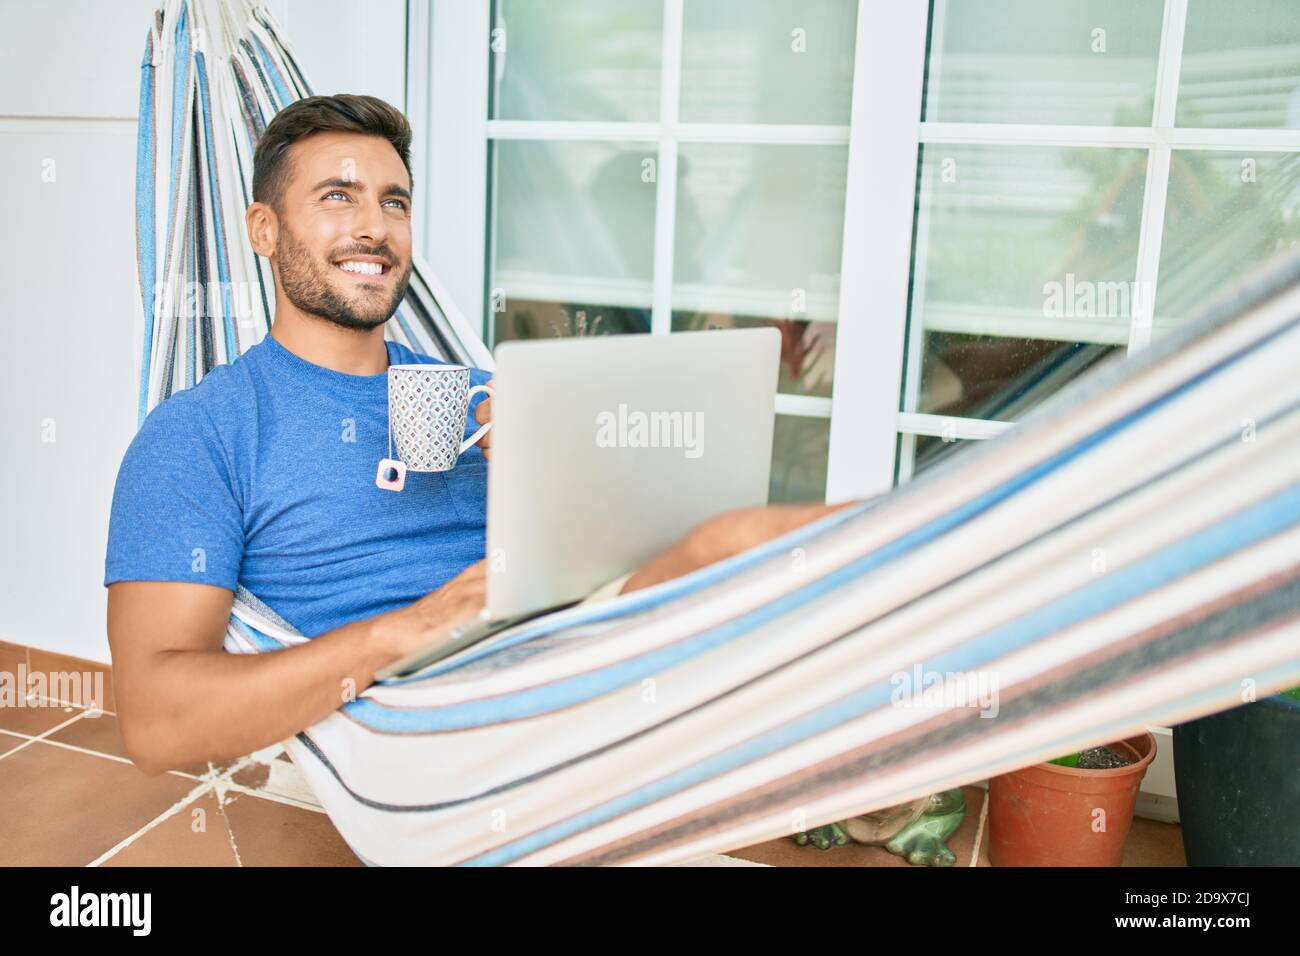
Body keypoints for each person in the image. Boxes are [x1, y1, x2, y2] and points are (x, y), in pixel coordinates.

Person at [105, 93, 854, 776]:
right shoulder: (199, 435)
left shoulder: (483, 396)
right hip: (424, 725)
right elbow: (155, 721)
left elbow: (592, 566)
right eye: (338, 196)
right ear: (263, 230)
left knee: (743, 544)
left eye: (393, 202)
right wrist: (414, 628)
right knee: (738, 549)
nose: (373, 225)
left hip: (571, 662)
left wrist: (553, 477)